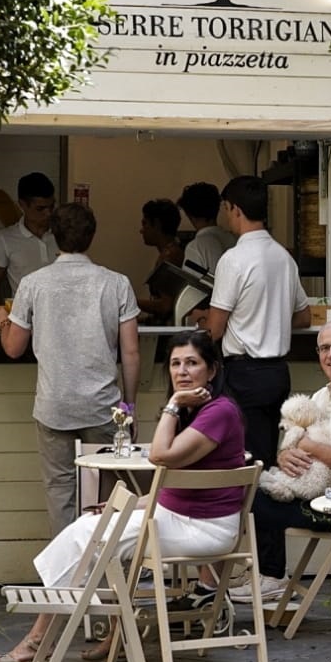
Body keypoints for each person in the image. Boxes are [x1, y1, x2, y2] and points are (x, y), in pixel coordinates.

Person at [0, 330, 246, 662]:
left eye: (192, 363)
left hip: (202, 529)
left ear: (212, 371)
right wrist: (128, 506)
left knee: (91, 537)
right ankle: (120, 633)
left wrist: (172, 404)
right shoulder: (203, 411)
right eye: (175, 364)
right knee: (92, 527)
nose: (182, 371)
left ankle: (41, 637)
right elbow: (173, 491)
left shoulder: (218, 412)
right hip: (183, 519)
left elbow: (159, 456)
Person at [0, 202, 140, 534]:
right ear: (92, 236)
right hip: (104, 407)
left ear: (52, 234)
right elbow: (131, 353)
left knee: (61, 490)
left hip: (54, 405)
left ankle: (67, 574)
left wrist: (2, 321)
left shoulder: (33, 284)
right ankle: (105, 570)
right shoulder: (116, 283)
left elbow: (13, 347)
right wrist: (128, 407)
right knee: (108, 491)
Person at [234, 318, 331, 603]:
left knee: (239, 497)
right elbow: (291, 443)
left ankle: (264, 577)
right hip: (305, 492)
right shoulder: (322, 394)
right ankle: (259, 576)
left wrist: (307, 444)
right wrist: (285, 455)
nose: (330, 355)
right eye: (324, 348)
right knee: (241, 487)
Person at [206, 174, 311, 468]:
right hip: (277, 373)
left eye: (225, 208)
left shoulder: (234, 259)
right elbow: (303, 316)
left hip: (244, 373)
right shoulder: (284, 257)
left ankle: (250, 514)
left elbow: (214, 328)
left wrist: (206, 319)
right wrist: (271, 319)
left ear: (234, 208)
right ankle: (260, 513)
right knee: (266, 452)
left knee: (244, 457)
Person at [0, 172, 57, 302]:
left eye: (51, 207)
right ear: (22, 205)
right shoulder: (5, 238)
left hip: (60, 315)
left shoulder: (63, 234)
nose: (48, 213)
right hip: (23, 316)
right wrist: (0, 315)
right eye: (40, 209)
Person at [174, 181, 234, 325]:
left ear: (190, 215)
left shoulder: (196, 246)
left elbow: (192, 296)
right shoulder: (234, 240)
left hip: (210, 323)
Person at [136, 198, 186, 324]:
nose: (141, 230)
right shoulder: (170, 252)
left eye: (145, 224)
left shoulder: (170, 257)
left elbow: (166, 306)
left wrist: (132, 301)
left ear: (157, 224)